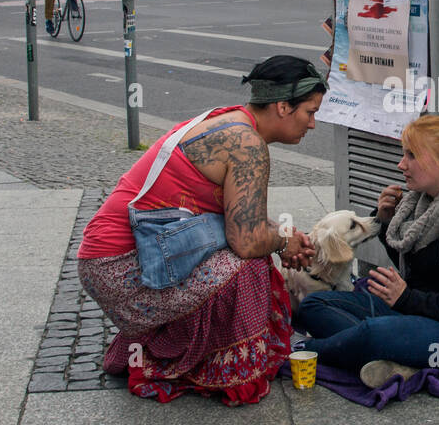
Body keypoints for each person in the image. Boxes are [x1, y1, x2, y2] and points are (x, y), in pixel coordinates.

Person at [78, 56, 326, 405]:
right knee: (249, 267)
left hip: (112, 258)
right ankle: (224, 371)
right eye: (310, 112)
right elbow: (248, 240)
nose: (313, 124)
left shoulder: (227, 120)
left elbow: (238, 219)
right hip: (119, 270)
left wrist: (284, 236)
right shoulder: (247, 145)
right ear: (283, 107)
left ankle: (170, 346)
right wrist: (282, 242)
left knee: (251, 255)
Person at [296, 115, 439, 389]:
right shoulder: (425, 201)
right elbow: (420, 267)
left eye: (411, 156)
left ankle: (307, 351)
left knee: (373, 333)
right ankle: (391, 358)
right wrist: (386, 222)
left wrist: (406, 298)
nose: (401, 165)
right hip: (420, 314)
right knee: (313, 305)